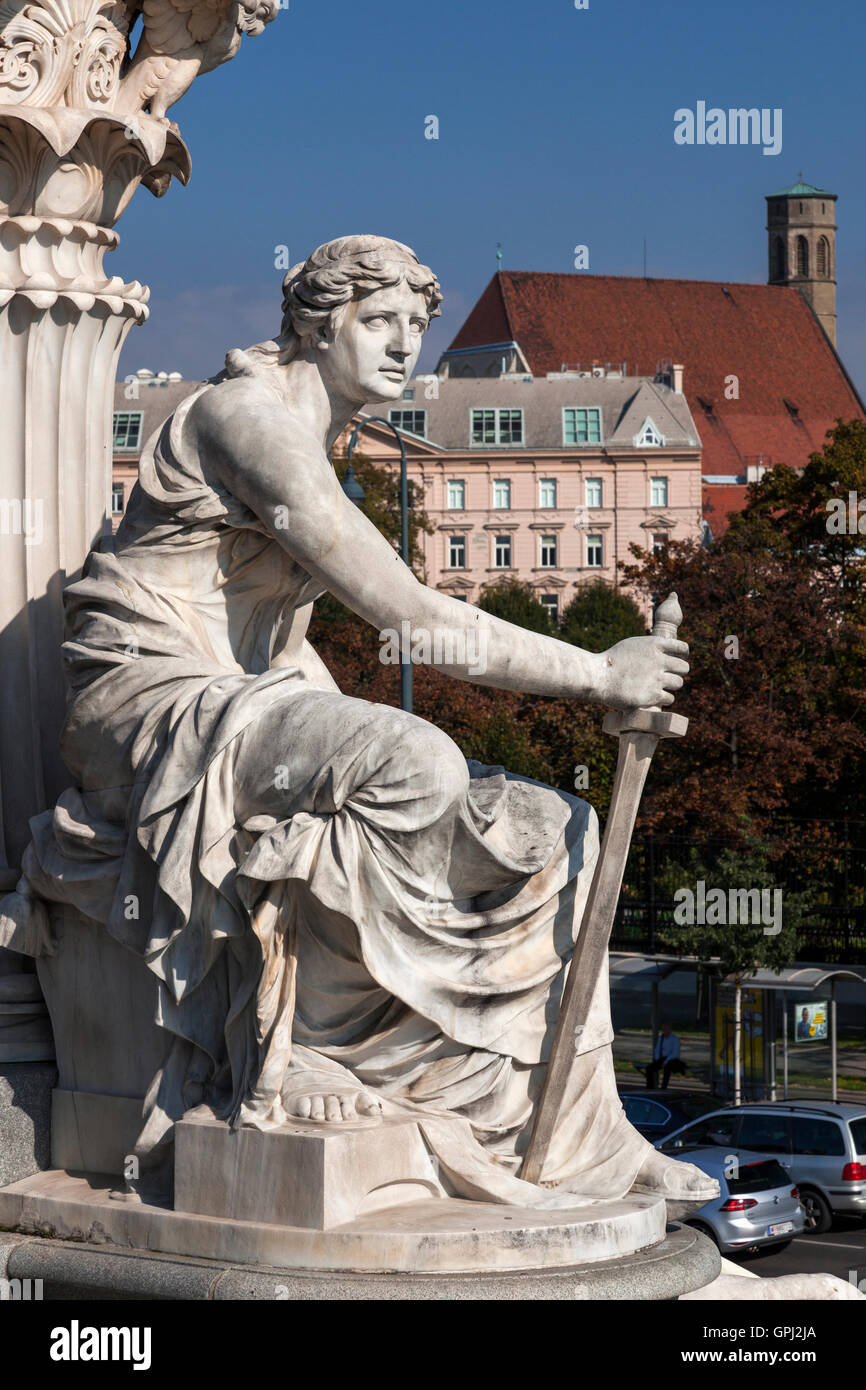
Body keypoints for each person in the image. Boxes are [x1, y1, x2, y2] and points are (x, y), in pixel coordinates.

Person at [2, 235, 715, 1211]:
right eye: (378, 323)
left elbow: (286, 653)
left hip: (242, 703)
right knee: (414, 760)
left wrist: (344, 731)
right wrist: (598, 671)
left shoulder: (313, 437)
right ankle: (307, 1056)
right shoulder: (247, 421)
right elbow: (409, 616)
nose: (403, 347)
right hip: (146, 707)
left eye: (416, 328)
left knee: (555, 826)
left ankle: (589, 1136)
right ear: (313, 323)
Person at [645, 1022, 686, 1089]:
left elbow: (675, 1053)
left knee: (667, 1068)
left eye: (667, 1029)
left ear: (670, 1029)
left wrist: (665, 1062)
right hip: (662, 1059)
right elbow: (657, 1050)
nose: (665, 1031)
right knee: (649, 1069)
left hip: (671, 1059)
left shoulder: (675, 1039)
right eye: (664, 1029)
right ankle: (650, 1088)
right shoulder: (661, 1038)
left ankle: (663, 1088)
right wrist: (657, 1060)